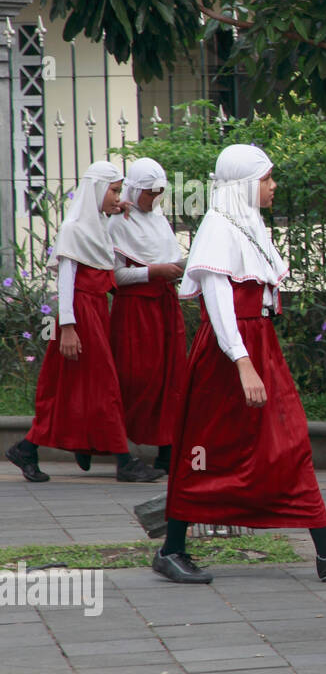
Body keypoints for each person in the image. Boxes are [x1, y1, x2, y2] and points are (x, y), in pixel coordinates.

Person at [153, 144, 326, 585]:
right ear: (243, 184)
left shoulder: (248, 225)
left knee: (288, 440)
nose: (273, 185)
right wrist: (242, 363)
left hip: (258, 344)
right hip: (229, 354)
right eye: (266, 178)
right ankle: (172, 548)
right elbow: (219, 306)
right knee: (204, 447)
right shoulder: (219, 229)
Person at [6, 162, 165, 484]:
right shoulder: (74, 230)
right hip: (80, 315)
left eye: (120, 191)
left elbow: (105, 227)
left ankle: (28, 447)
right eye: (114, 190)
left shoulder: (95, 227)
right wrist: (67, 327)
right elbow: (66, 281)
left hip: (94, 313)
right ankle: (124, 461)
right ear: (96, 190)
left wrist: (117, 207)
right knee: (105, 386)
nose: (118, 197)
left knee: (77, 390)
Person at [107, 157, 188, 474]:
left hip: (165, 306)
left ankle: (167, 451)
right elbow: (115, 277)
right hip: (136, 311)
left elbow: (168, 259)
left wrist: (177, 269)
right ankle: (113, 446)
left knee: (171, 378)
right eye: (149, 193)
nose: (154, 200)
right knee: (138, 379)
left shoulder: (158, 220)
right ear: (136, 188)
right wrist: (152, 272)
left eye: (159, 193)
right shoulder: (119, 223)